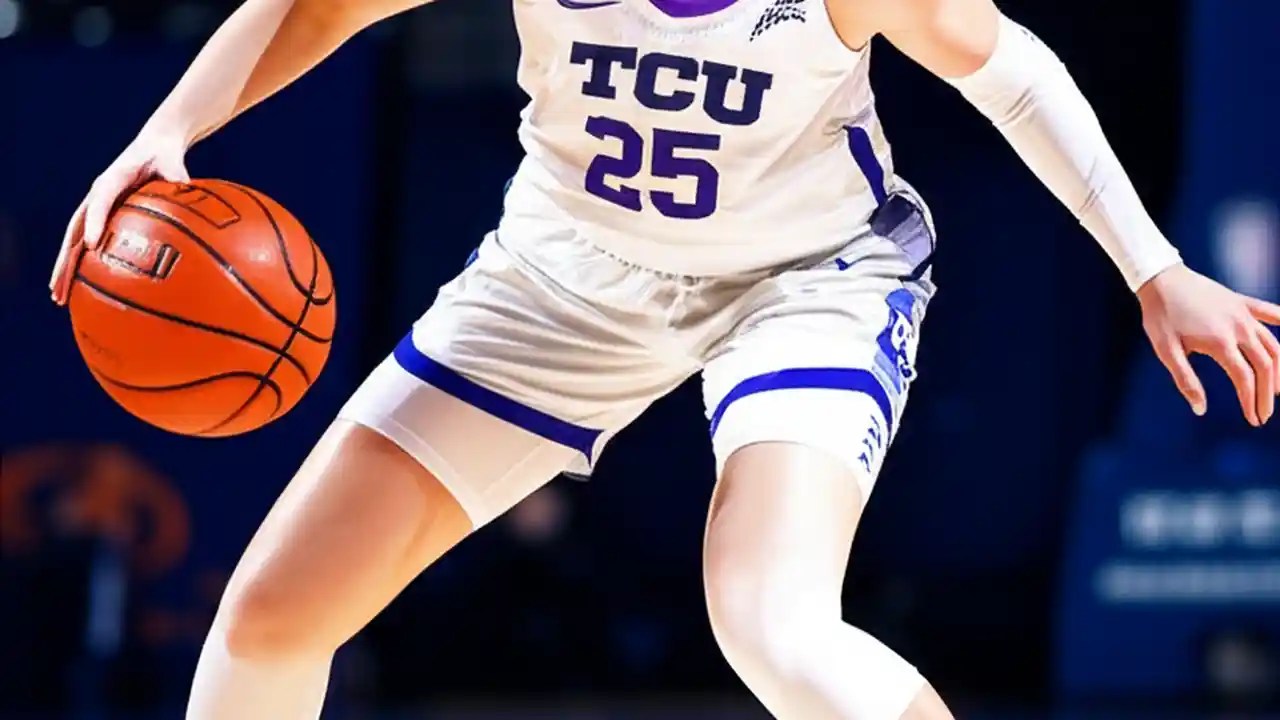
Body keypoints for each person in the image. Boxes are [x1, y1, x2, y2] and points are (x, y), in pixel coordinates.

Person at [49, 0, 1280, 717]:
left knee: (771, 622)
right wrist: (171, 130)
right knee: (271, 617)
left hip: (802, 278)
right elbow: (324, 5)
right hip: (561, 276)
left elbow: (1005, 71)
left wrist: (1151, 267)